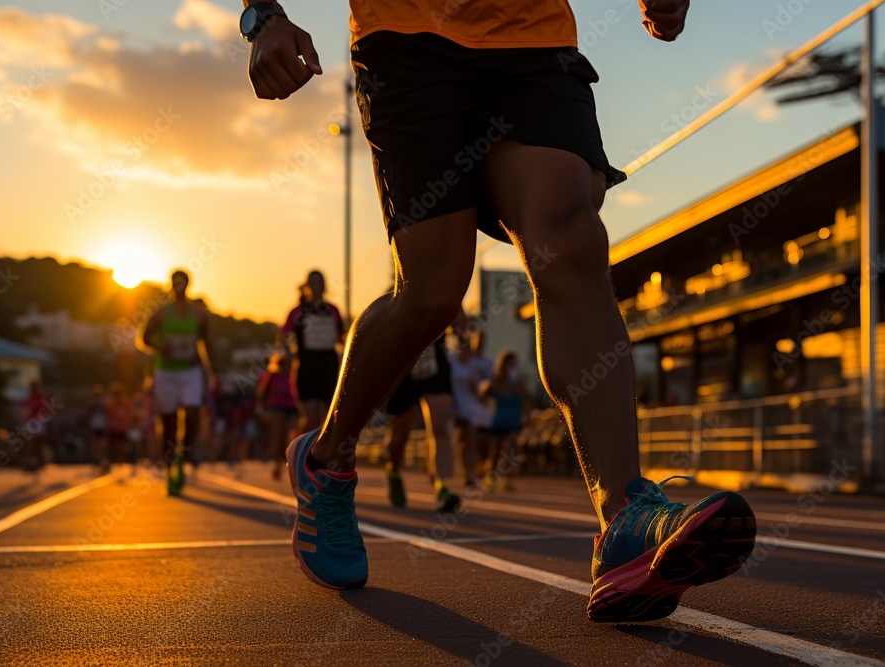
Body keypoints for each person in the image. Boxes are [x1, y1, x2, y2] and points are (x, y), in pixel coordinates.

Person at [243, 0, 757, 622]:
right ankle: (326, 460)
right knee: (433, 291)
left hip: (531, 35)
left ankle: (624, 519)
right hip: (407, 37)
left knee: (570, 238)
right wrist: (262, 15)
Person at [139, 270, 220, 496]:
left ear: (188, 284)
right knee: (169, 424)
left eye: (183, 282)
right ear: (171, 285)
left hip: (190, 372)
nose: (179, 285)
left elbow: (207, 343)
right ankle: (169, 470)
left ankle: (183, 456)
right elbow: (144, 338)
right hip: (166, 372)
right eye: (175, 282)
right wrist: (161, 346)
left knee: (193, 415)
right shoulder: (161, 314)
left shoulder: (199, 315)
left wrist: (213, 371)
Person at [382, 334, 460, 513]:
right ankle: (393, 471)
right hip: (403, 362)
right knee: (400, 436)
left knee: (441, 427)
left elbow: (461, 326)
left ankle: (443, 487)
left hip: (434, 358)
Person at [282, 271, 345, 435]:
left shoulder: (333, 310)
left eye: (319, 282)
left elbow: (343, 337)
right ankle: (299, 445)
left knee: (329, 422)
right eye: (313, 282)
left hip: (329, 369)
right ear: (307, 286)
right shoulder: (298, 312)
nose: (317, 286)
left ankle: (318, 450)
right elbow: (285, 335)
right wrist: (289, 354)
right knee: (311, 421)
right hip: (306, 370)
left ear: (324, 286)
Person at [478, 350, 531, 492]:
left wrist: (528, 414)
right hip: (499, 421)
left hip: (514, 422)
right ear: (503, 365)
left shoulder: (518, 384)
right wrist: (486, 406)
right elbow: (482, 395)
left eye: (514, 364)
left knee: (511, 447)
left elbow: (528, 400)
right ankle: (490, 478)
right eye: (510, 364)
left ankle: (506, 479)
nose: (512, 367)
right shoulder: (496, 382)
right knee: (496, 451)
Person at [449, 334, 493, 488]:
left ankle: (469, 473)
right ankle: (463, 471)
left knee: (469, 441)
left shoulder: (472, 365)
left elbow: (477, 389)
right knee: (460, 442)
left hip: (471, 409)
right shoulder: (452, 361)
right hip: (455, 408)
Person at [256, 352, 298, 481]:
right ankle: (277, 464)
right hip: (276, 408)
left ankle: (292, 465)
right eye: (283, 363)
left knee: (291, 438)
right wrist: (261, 409)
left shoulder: (294, 375)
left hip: (293, 409)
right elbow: (262, 393)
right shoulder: (271, 376)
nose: (285, 366)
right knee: (278, 437)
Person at [104, 381, 133, 471]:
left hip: (121, 428)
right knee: (112, 446)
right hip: (114, 428)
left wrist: (127, 424)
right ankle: (111, 461)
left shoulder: (125, 402)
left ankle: (120, 459)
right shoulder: (111, 403)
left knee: (121, 445)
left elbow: (128, 414)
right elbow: (108, 414)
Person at [87, 383, 109, 474]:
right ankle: (96, 460)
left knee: (101, 444)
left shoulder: (103, 402)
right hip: (95, 425)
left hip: (101, 425)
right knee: (95, 444)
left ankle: (102, 460)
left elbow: (107, 413)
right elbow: (88, 414)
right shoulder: (92, 403)